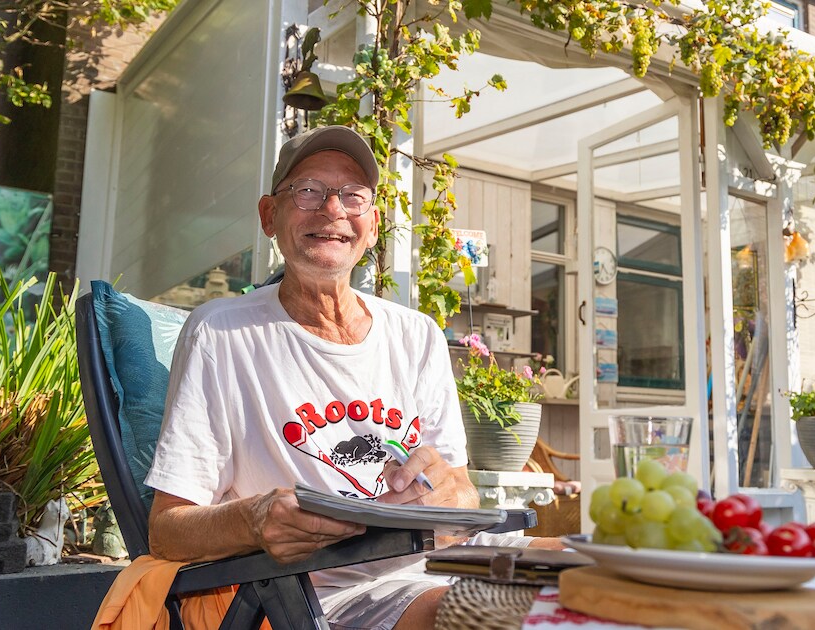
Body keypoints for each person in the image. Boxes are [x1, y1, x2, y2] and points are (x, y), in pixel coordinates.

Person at [144, 125, 560, 629]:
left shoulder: (418, 334)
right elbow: (166, 530)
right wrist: (254, 521)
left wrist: (455, 495)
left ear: (374, 223)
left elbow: (463, 491)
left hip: (454, 559)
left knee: (617, 572)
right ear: (269, 215)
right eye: (308, 191)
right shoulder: (222, 334)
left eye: (352, 196)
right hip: (339, 593)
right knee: (517, 616)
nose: (332, 210)